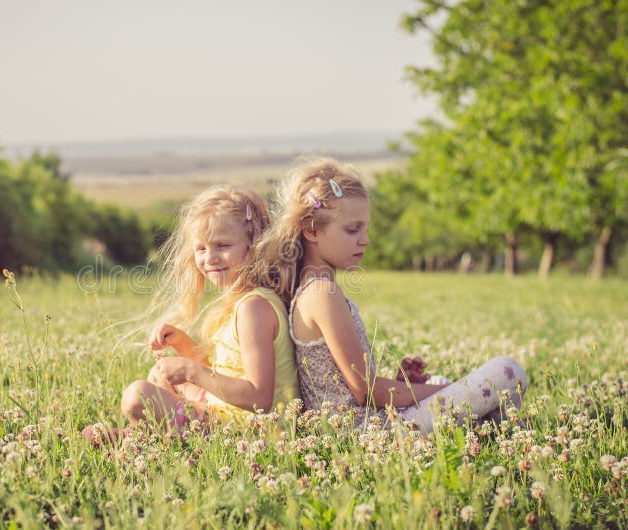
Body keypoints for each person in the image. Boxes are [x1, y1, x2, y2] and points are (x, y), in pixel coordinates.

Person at [250, 157, 527, 433]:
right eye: (352, 229)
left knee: (438, 382)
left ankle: (484, 429)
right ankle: (494, 430)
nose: (366, 240)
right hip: (369, 434)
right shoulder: (322, 294)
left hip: (365, 424)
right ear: (311, 230)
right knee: (508, 370)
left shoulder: (315, 289)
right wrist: (455, 389)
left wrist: (404, 383)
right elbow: (367, 392)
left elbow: (350, 387)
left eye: (366, 228)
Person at [84, 185, 300, 444]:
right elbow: (228, 371)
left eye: (222, 245)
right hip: (231, 418)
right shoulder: (241, 301)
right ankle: (145, 439)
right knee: (160, 374)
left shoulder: (254, 308)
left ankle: (143, 441)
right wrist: (184, 345)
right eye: (201, 249)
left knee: (137, 394)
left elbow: (258, 398)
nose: (210, 258)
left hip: (251, 433)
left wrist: (191, 371)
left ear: (253, 246)